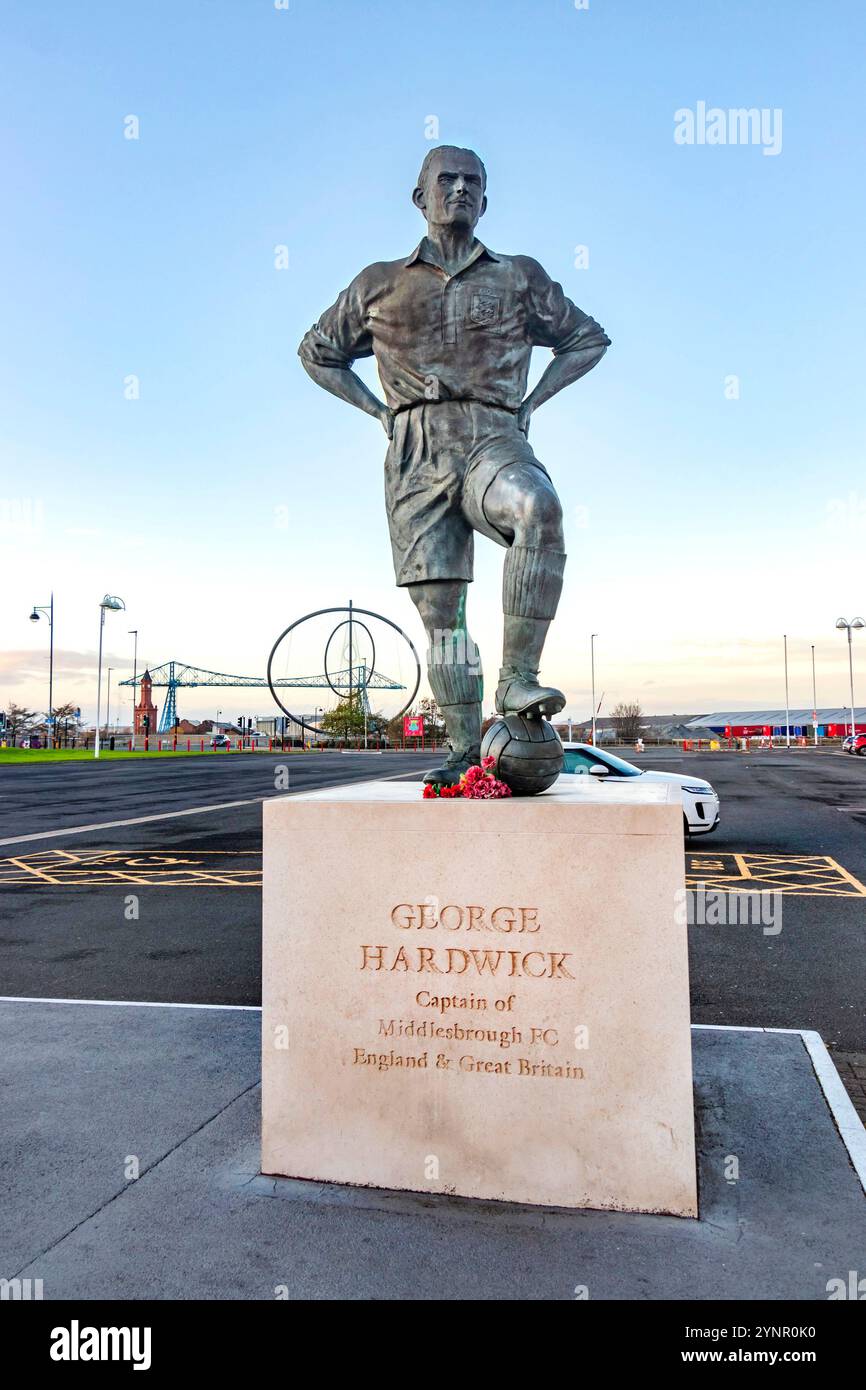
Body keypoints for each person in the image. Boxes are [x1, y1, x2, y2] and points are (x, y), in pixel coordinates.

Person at [300, 146, 610, 783]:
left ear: (486, 200)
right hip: (414, 448)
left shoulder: (519, 276)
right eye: (448, 180)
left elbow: (587, 338)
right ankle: (467, 754)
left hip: (493, 434)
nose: (460, 190)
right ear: (420, 197)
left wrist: (531, 404)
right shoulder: (377, 282)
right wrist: (377, 412)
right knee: (443, 615)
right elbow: (317, 352)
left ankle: (518, 679)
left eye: (473, 182)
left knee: (537, 507)